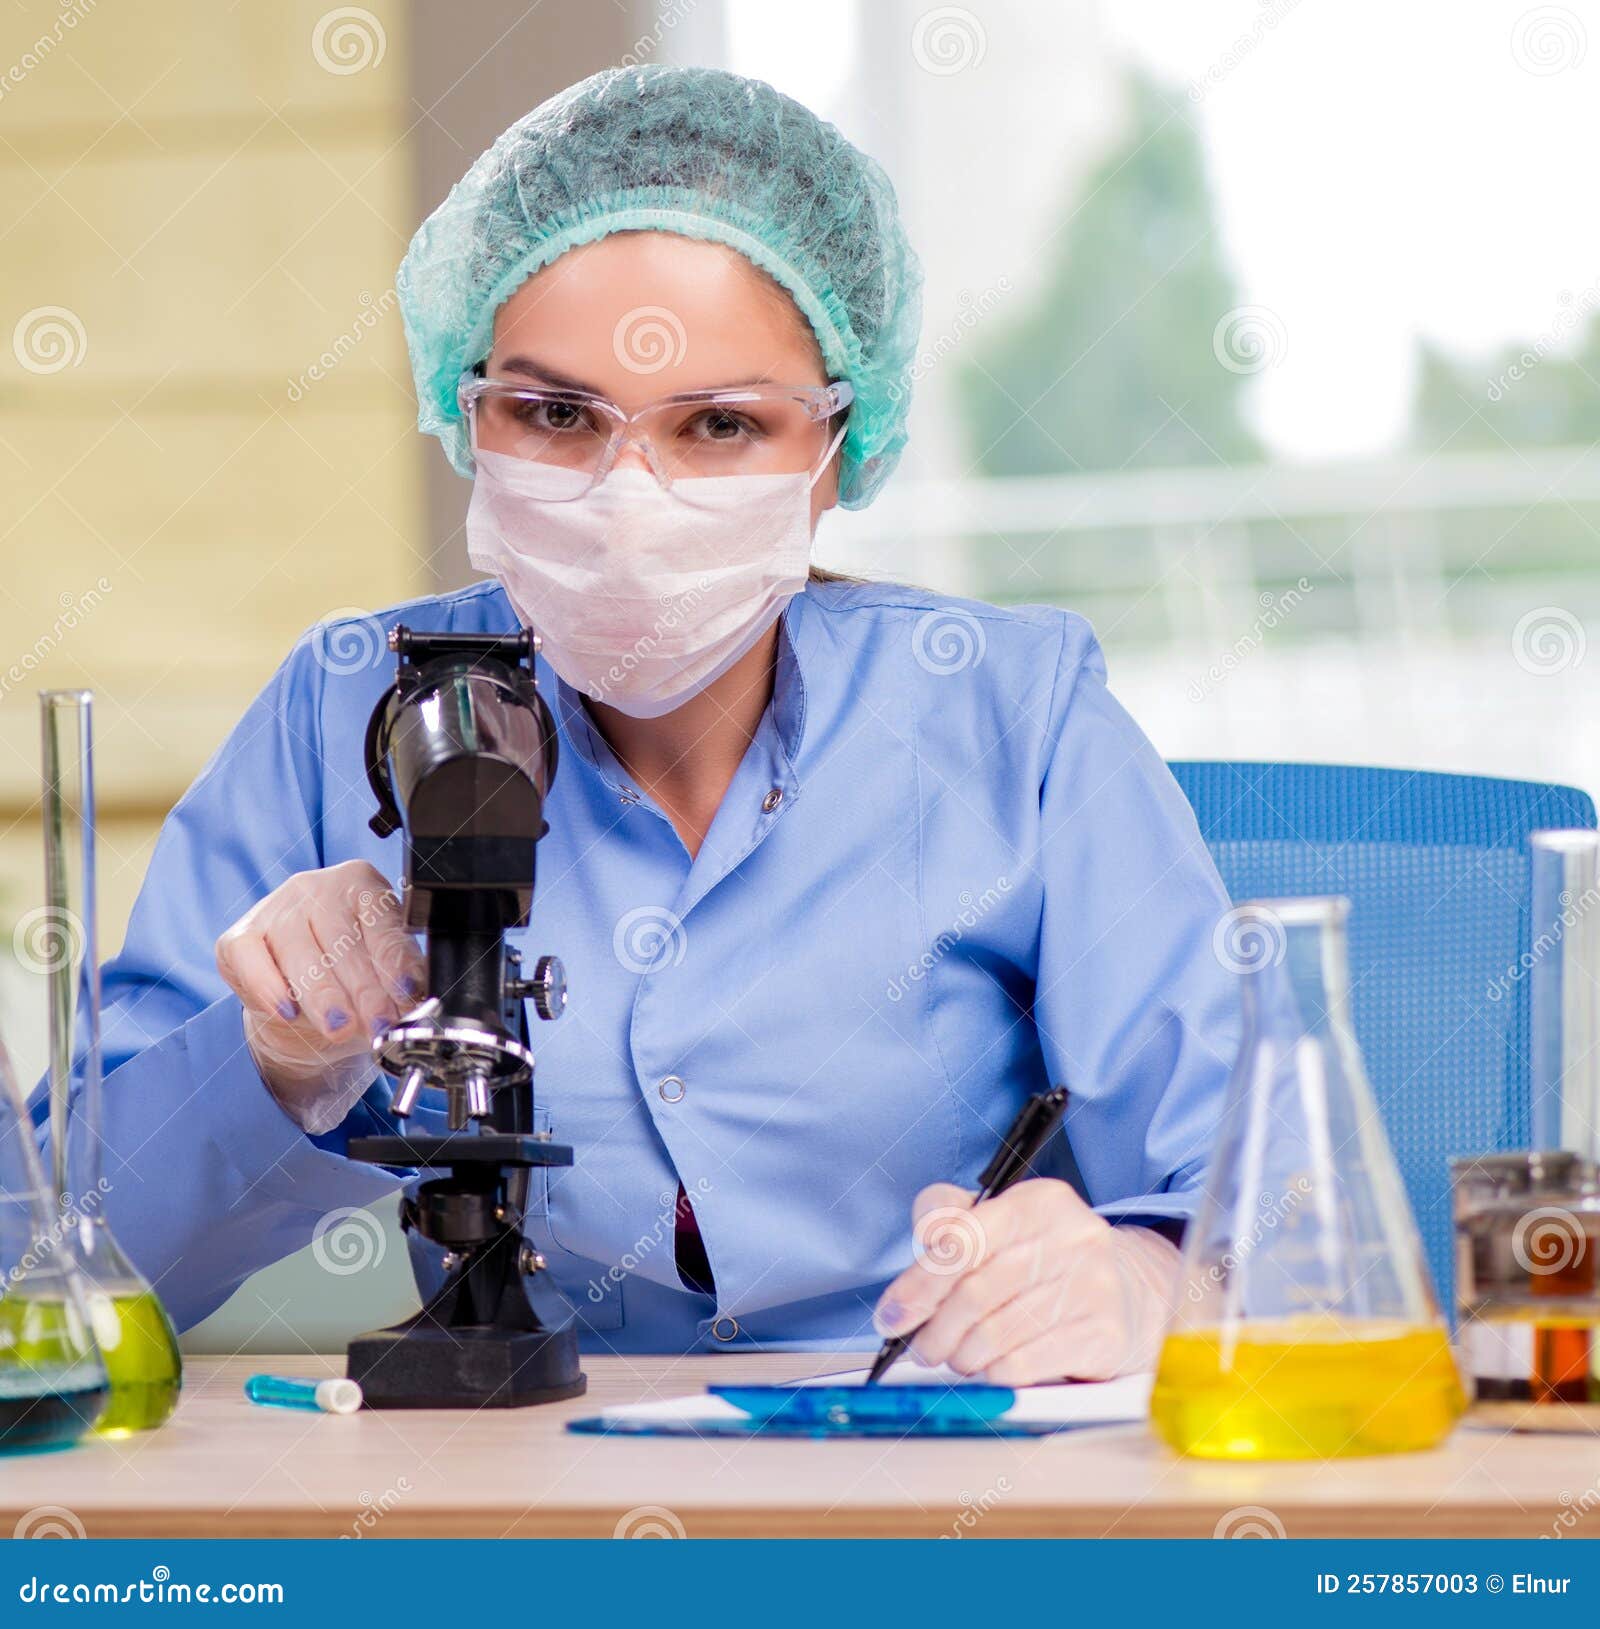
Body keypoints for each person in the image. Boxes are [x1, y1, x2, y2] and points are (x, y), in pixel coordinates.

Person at [47, 65, 1240, 1380]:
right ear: (464, 404)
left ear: (841, 443)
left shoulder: (1013, 719)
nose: (629, 497)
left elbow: (1281, 1198)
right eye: (556, 414)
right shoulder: (343, 708)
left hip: (927, 1480)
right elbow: (47, 1256)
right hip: (506, 1499)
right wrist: (272, 1062)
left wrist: (1146, 1273)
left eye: (721, 423)